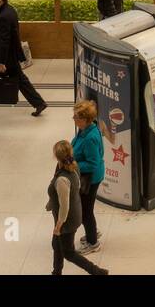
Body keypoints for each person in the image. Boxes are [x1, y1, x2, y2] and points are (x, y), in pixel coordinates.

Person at [48, 140, 109, 275]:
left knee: (68, 253)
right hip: (75, 212)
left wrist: (59, 226)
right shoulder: (74, 166)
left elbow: (64, 206)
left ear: (56, 156)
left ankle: (97, 272)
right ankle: (56, 272)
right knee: (57, 245)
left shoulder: (62, 179)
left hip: (66, 219)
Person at [72, 100, 106, 255]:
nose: (74, 119)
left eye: (77, 117)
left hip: (90, 179)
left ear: (85, 119)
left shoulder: (90, 137)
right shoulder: (87, 129)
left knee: (86, 211)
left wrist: (73, 165)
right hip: (91, 176)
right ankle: (92, 232)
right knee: (87, 208)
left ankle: (93, 242)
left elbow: (93, 163)